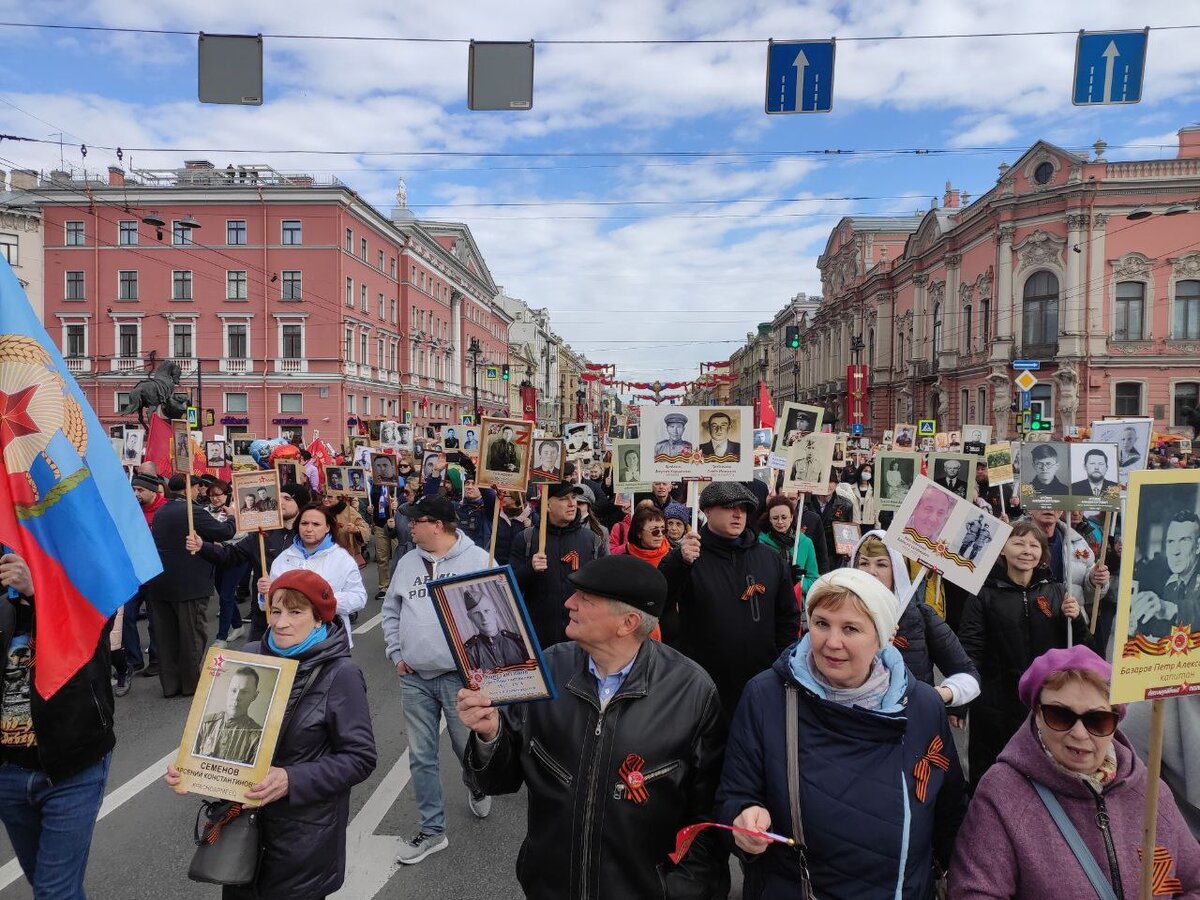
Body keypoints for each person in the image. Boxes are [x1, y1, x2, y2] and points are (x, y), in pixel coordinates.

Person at [457, 555, 730, 899]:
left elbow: (709, 817)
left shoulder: (691, 692)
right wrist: (489, 733)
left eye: (586, 599)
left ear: (627, 622)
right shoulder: (548, 668)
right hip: (551, 888)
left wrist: (676, 891)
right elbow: (499, 780)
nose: (569, 603)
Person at [717, 569, 965, 899]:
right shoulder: (767, 696)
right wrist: (743, 818)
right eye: (821, 624)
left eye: (850, 628)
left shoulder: (922, 705)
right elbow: (734, 792)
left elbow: (950, 810)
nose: (832, 642)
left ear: (883, 636)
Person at [167, 569, 377, 900]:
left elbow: (360, 758)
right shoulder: (248, 656)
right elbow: (217, 731)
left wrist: (291, 779)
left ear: (319, 618)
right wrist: (193, 767)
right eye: (276, 611)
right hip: (239, 831)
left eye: (296, 612)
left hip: (302, 841)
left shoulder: (341, 674)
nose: (281, 623)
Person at [950, 646, 1200, 898]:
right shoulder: (1002, 793)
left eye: (1098, 720)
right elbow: (975, 892)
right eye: (1060, 715)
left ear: (1115, 723)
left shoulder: (1149, 791)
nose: (1079, 734)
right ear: (1037, 714)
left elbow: (1193, 883)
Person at [381, 495, 494, 863]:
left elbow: (495, 617)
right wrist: (397, 654)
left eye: (417, 520)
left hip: (459, 678)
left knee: (467, 749)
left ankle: (477, 785)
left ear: (440, 525)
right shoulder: (408, 561)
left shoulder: (479, 560)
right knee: (421, 756)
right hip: (415, 678)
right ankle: (432, 831)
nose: (409, 525)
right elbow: (391, 610)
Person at [0, 551, 116, 898]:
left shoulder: (83, 587)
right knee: (50, 885)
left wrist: (37, 592)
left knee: (54, 891)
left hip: (72, 770)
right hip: (9, 771)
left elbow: (94, 623)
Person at [959, 521, 1093, 783]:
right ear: (1002, 549)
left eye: (1034, 545)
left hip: (1046, 702)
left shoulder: (1057, 593)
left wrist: (1076, 619)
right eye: (1018, 543)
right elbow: (970, 650)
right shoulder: (982, 595)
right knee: (993, 774)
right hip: (995, 706)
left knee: (1044, 772)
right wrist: (962, 701)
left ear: (1043, 554)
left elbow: (1082, 649)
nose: (1026, 550)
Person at [659, 482, 800, 726]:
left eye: (744, 509)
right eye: (728, 507)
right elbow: (661, 600)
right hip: (706, 682)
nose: (738, 514)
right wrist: (678, 562)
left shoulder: (769, 559)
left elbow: (787, 617)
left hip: (760, 678)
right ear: (707, 511)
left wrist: (779, 663)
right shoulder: (690, 557)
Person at [851, 532, 979, 719]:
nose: (871, 571)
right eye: (864, 563)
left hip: (911, 723)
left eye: (881, 564)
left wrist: (942, 695)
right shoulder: (838, 617)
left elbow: (967, 674)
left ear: (896, 569)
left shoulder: (920, 617)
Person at [188, 483, 313, 643]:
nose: (280, 502)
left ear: (301, 506)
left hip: (297, 616)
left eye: (287, 498)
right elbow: (231, 555)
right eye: (278, 497)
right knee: (257, 660)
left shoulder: (309, 537)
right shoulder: (262, 533)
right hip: (263, 614)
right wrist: (202, 546)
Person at [148, 474, 235, 698]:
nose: (200, 492)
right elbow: (224, 532)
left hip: (161, 584)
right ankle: (191, 686)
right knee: (191, 637)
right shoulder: (191, 511)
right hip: (189, 585)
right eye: (198, 488)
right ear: (190, 489)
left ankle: (170, 685)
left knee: (167, 638)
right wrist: (233, 517)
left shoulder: (161, 511)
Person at [510, 482, 609, 648]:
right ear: (547, 505)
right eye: (564, 499)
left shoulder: (592, 540)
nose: (572, 504)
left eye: (574, 498)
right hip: (539, 637)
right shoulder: (526, 539)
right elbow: (511, 586)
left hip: (581, 637)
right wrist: (530, 569)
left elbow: (603, 588)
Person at [261, 504, 367, 641]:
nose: (309, 529)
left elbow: (358, 598)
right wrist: (265, 593)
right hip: (287, 640)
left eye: (316, 524)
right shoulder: (283, 558)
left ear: (327, 527)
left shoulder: (342, 559)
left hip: (329, 639)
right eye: (304, 523)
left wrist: (321, 601)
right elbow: (268, 607)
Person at [1128, 508, 1200, 639]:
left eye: (1184, 540)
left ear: (1198, 546)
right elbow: (1167, 630)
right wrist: (1135, 628)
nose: (1175, 551)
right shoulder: (1171, 584)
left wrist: (1169, 609)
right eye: (1171, 541)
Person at [1025, 508, 1112, 607]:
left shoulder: (1078, 542)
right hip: (1024, 617)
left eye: (1055, 501)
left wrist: (1094, 581)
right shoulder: (1010, 537)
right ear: (1029, 507)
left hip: (1067, 619)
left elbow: (1090, 596)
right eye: (1042, 500)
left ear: (1061, 510)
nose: (1048, 507)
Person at [125, 472, 166, 678]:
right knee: (126, 616)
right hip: (134, 573)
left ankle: (157, 660)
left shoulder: (165, 509)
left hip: (157, 574)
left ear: (153, 491)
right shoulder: (131, 510)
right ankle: (134, 659)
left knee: (155, 619)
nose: (136, 494)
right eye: (134, 489)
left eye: (140, 490)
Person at [193, 666, 263, 765]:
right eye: (233, 690)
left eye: (244, 692)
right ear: (228, 690)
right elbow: (190, 762)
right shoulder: (205, 724)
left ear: (254, 696)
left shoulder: (257, 737)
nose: (236, 697)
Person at [757, 496, 818, 596]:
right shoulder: (761, 543)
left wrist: (798, 584)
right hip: (771, 602)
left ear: (791, 517)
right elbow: (758, 578)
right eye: (775, 518)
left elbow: (813, 579)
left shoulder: (806, 543)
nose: (780, 522)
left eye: (784, 517)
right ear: (770, 520)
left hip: (796, 602)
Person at [462, 591, 528, 672]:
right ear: (470, 618)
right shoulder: (469, 652)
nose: (484, 618)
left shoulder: (519, 642)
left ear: (494, 611)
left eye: (486, 611)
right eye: (477, 613)